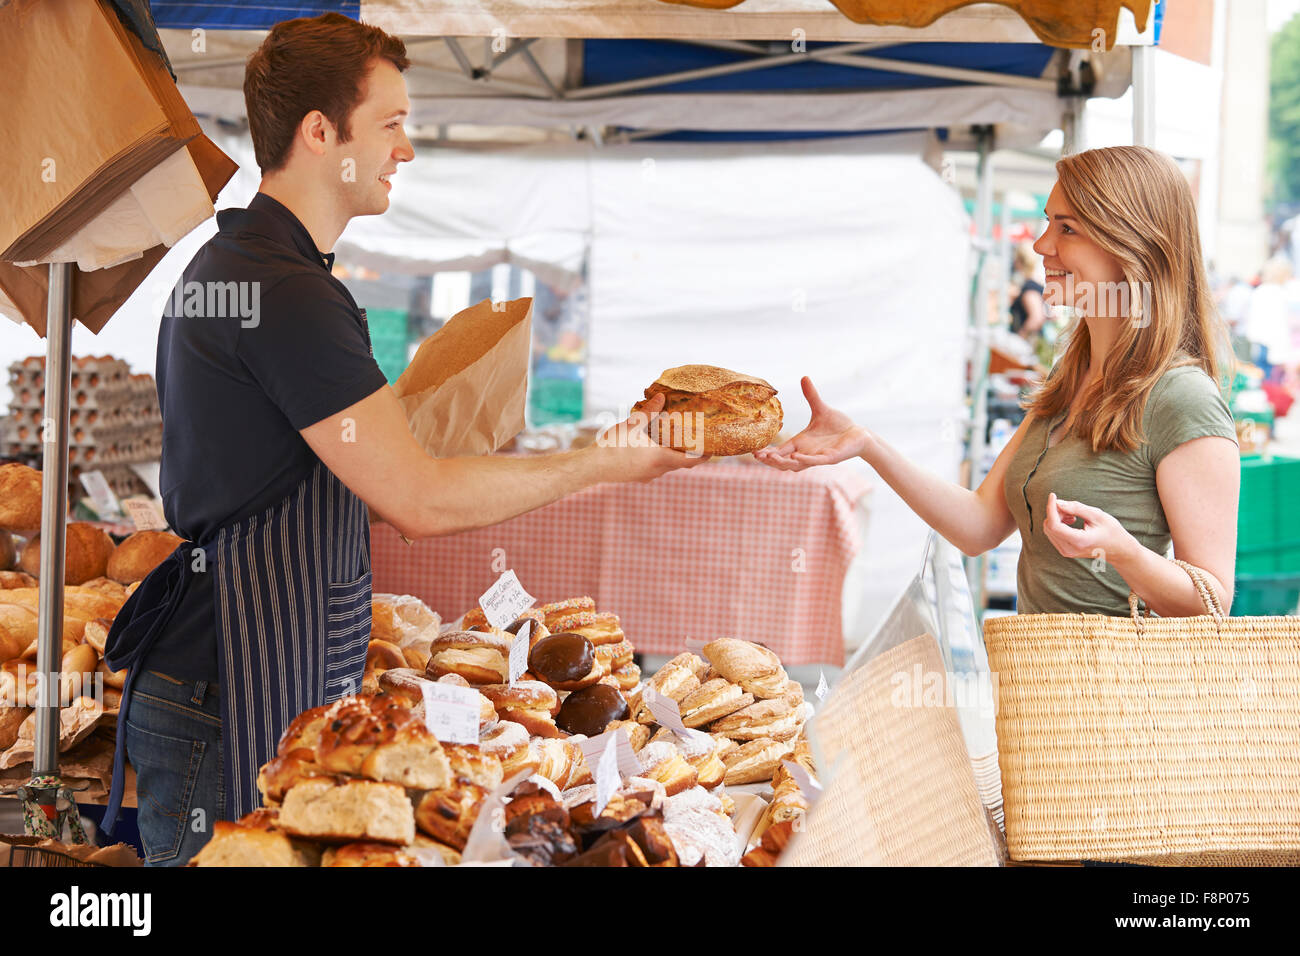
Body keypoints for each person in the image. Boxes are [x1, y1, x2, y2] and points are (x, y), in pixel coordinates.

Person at [101, 13, 705, 865]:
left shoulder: (242, 266)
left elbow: (342, 481)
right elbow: (417, 500)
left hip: (227, 669)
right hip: (230, 683)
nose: (407, 150)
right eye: (391, 124)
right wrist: (611, 461)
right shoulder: (284, 291)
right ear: (320, 133)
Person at [757, 145, 1239, 621]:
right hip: (1036, 686)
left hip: (1121, 694)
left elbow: (1213, 601)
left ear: (1130, 244)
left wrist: (1122, 552)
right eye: (1049, 221)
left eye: (1066, 228)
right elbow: (979, 526)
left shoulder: (1183, 397)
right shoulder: (1070, 377)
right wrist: (868, 445)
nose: (1041, 245)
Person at [1007, 242, 1046, 342]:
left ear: (1020, 261)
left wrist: (1021, 336)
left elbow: (1036, 318)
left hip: (1027, 345)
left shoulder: (1030, 288)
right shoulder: (1036, 283)